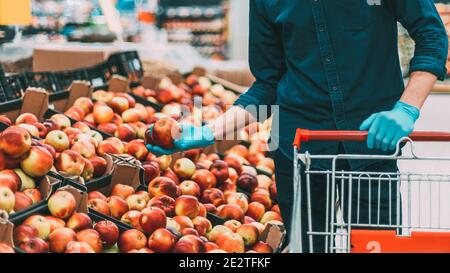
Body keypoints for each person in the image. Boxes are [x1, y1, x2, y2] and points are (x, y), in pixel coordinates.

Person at [147, 0, 448, 252]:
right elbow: (268, 84)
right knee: (308, 247)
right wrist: (210, 131)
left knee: (376, 245)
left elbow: (431, 34)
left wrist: (406, 108)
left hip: (372, 146)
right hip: (300, 154)